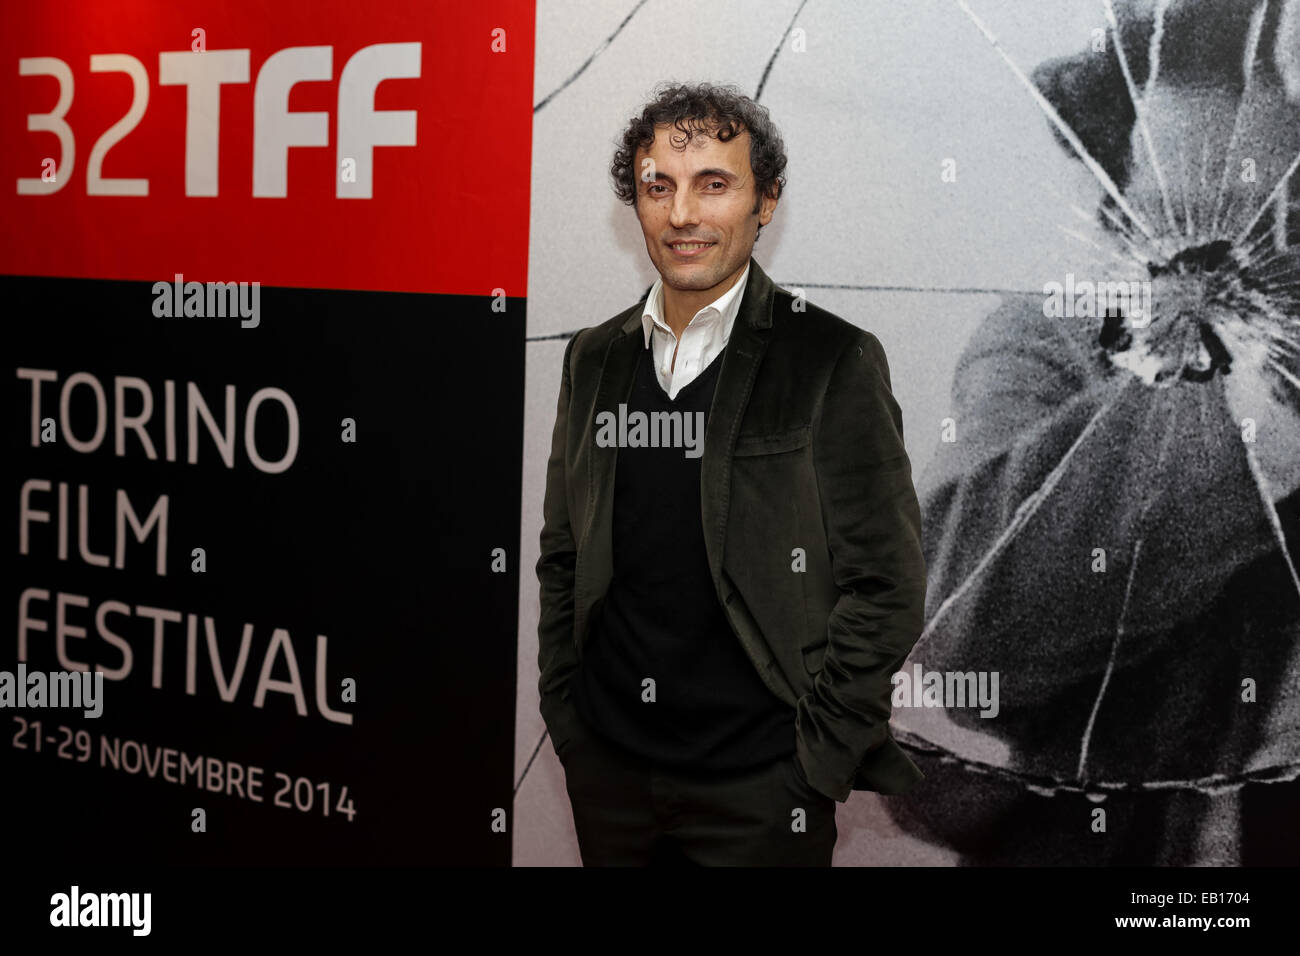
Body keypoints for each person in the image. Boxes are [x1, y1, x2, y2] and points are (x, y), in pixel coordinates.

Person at [886, 0, 1300, 865]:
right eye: (1180, 233)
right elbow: (960, 615)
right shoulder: (1046, 344)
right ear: (1120, 223)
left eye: (1270, 234)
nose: (1219, 280)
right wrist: (1261, 402)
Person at [535, 81, 928, 866]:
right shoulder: (595, 357)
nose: (682, 214)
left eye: (714, 184)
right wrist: (569, 715)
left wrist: (811, 764)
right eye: (660, 187)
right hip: (610, 773)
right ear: (636, 200)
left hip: (761, 793)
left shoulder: (831, 360)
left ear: (766, 201)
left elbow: (886, 582)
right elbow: (563, 553)